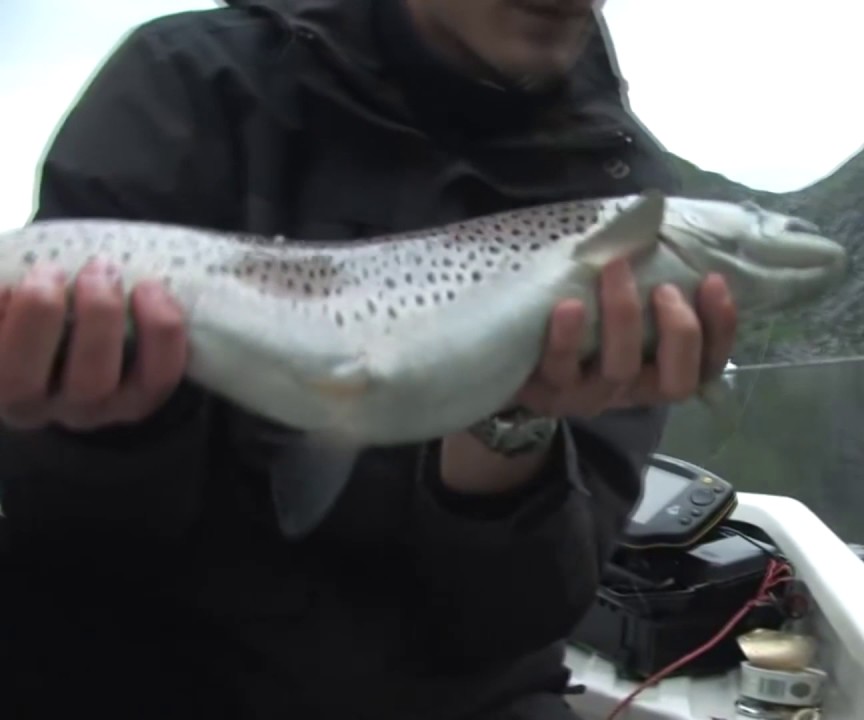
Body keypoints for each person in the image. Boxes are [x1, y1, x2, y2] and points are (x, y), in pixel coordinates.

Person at [0, 0, 738, 718]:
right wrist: (102, 434)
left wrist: (507, 426)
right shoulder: (185, 81)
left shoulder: (631, 214)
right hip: (128, 676)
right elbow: (68, 541)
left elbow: (517, 620)